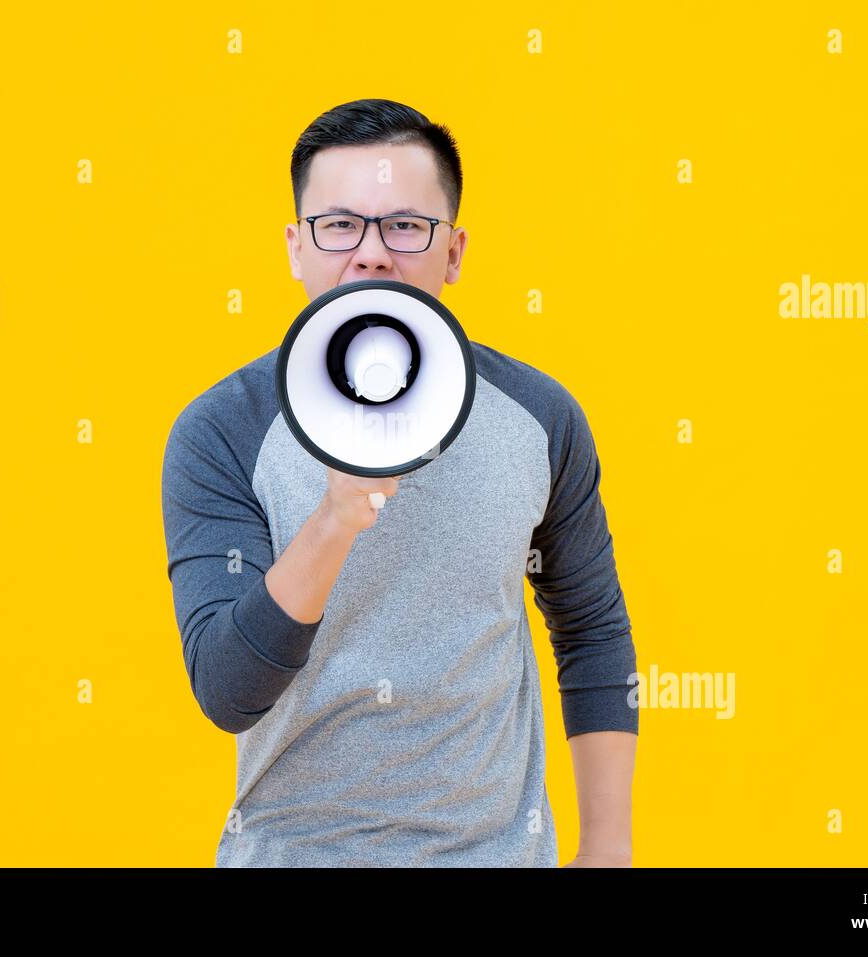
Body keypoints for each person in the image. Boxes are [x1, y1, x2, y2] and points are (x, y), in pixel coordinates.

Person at [161, 98, 638, 867]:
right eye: (340, 224)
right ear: (295, 248)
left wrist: (607, 848)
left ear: (453, 252)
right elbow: (227, 687)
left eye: (407, 226)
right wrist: (334, 518)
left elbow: (592, 632)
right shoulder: (221, 430)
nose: (373, 254)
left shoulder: (540, 418)